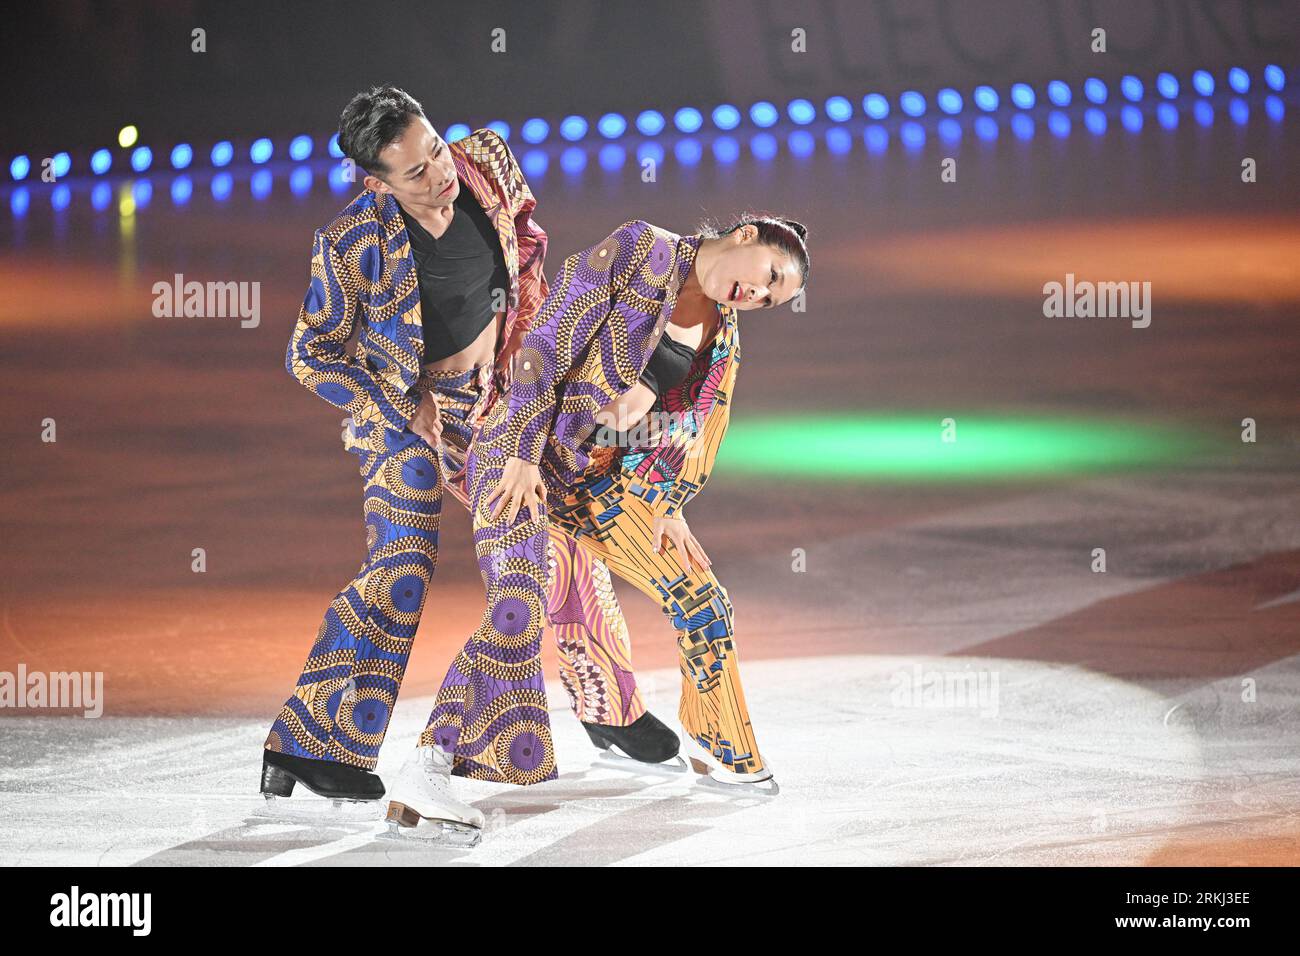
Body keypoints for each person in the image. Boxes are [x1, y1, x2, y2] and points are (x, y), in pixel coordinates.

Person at [262, 86, 675, 841]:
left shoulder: (485, 160)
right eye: (414, 173)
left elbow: (527, 241)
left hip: (497, 400)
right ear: (376, 182)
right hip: (402, 420)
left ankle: (609, 707)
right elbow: (308, 354)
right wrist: (398, 404)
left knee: (550, 543)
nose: (438, 176)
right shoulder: (353, 240)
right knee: (402, 567)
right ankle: (310, 742)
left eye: (435, 152)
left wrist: (532, 362)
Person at [398, 213, 809, 827]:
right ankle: (424, 774)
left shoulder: (722, 335)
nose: (757, 296)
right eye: (769, 276)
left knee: (699, 596)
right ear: (747, 235)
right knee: (523, 603)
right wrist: (518, 452)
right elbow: (544, 349)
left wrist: (666, 503)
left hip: (599, 485)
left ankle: (715, 743)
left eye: (772, 299)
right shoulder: (642, 248)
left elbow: (692, 424)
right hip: (521, 456)